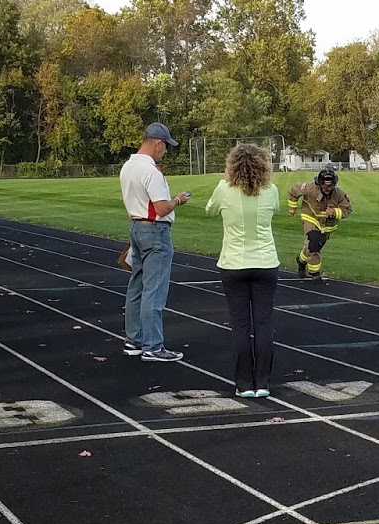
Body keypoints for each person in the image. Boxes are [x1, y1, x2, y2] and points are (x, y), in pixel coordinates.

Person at [205, 143, 279, 397]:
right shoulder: (271, 191)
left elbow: (210, 211)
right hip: (266, 263)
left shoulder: (224, 189)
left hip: (234, 264)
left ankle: (244, 383)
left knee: (240, 324)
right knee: (263, 323)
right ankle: (263, 382)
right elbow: (276, 210)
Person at [119, 122, 191, 362]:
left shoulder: (128, 166)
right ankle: (153, 345)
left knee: (136, 286)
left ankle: (134, 340)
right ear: (158, 143)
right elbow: (161, 207)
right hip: (155, 231)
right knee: (155, 289)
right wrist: (178, 200)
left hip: (136, 227)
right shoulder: (151, 171)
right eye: (165, 146)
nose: (166, 151)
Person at [287, 166, 353, 281]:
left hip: (327, 226)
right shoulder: (310, 188)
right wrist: (292, 208)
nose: (327, 188)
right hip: (310, 218)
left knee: (312, 247)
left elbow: (347, 209)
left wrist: (334, 212)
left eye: (330, 186)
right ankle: (315, 273)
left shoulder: (339, 194)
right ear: (319, 184)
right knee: (314, 243)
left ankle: (301, 261)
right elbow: (294, 190)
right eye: (325, 186)